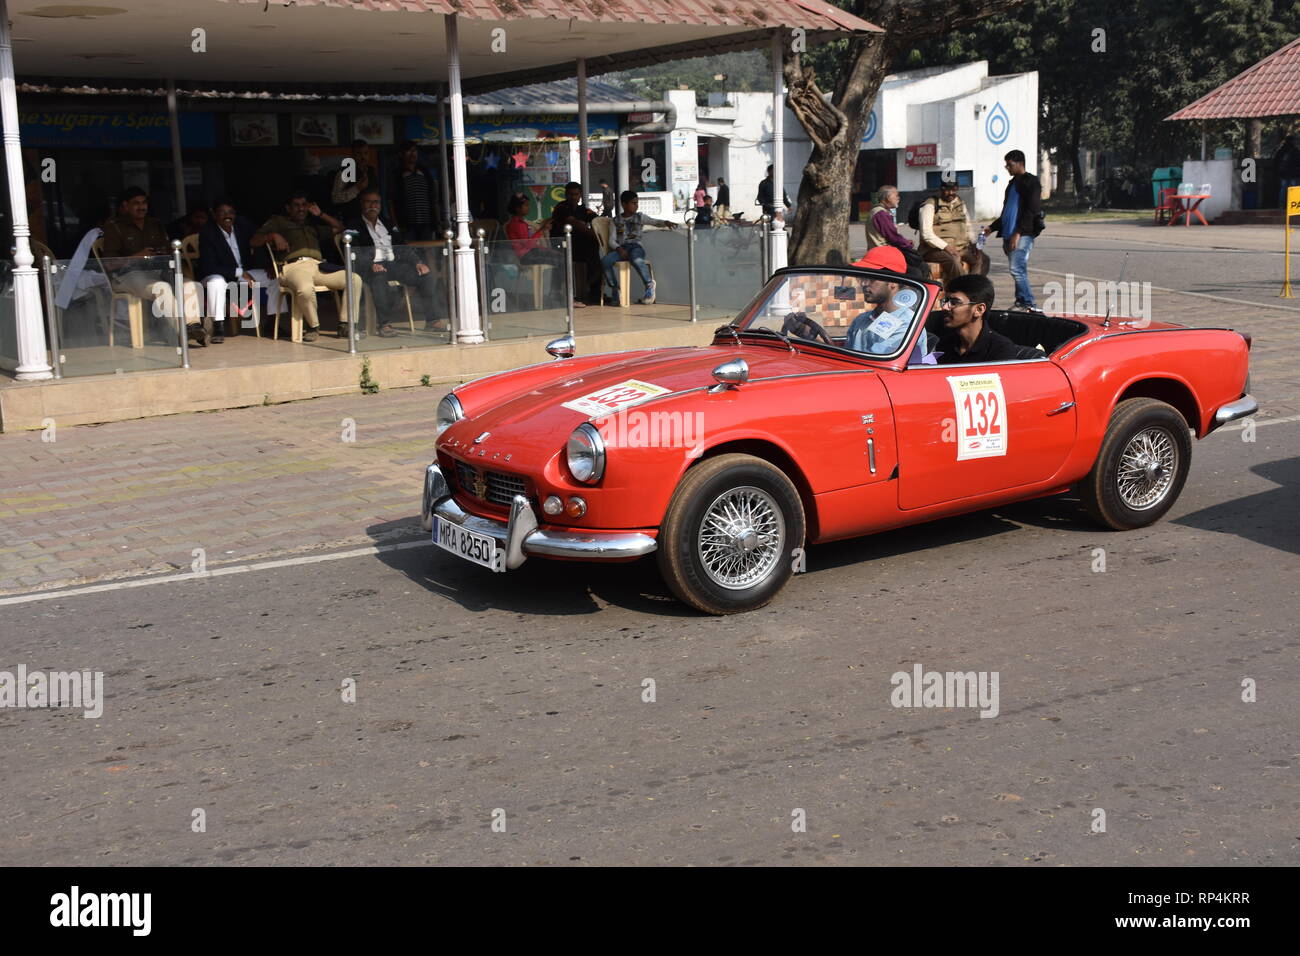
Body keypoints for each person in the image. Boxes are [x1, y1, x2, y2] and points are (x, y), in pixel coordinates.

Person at [99, 187, 208, 346]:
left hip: (156, 271)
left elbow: (168, 250)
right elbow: (109, 264)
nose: (141, 207)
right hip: (126, 276)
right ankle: (182, 332)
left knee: (190, 284)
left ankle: (194, 326)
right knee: (161, 288)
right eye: (136, 203)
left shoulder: (154, 223)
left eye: (144, 203)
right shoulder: (114, 226)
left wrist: (162, 252)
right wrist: (137, 256)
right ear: (126, 205)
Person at [254, 192, 361, 342]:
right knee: (305, 288)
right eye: (296, 205)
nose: (301, 209)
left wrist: (321, 214)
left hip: (318, 266)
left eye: (304, 205)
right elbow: (254, 240)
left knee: (353, 278)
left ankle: (346, 324)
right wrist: (272, 236)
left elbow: (340, 228)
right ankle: (313, 326)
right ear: (288, 208)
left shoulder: (312, 225)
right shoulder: (279, 222)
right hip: (293, 267)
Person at [348, 189, 443, 337]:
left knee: (426, 275)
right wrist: (370, 265)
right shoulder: (354, 225)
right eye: (368, 201)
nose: (372, 205)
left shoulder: (387, 223)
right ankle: (384, 324)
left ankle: (432, 321)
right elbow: (353, 251)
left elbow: (402, 246)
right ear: (361, 204)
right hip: (370, 267)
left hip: (393, 264)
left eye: (376, 202)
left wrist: (418, 262)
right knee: (379, 279)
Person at [196, 200, 275, 343]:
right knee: (217, 282)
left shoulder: (241, 226)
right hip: (214, 274)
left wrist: (271, 239)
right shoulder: (208, 233)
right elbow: (209, 267)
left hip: (242, 274)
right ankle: (218, 327)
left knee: (274, 278)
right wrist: (240, 272)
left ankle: (273, 322)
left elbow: (258, 238)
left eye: (231, 212)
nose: (228, 216)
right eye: (223, 212)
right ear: (214, 215)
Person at [986, 149, 1043, 313]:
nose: (1008, 168)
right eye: (1006, 165)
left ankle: (1029, 303)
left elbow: (1030, 210)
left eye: (1010, 165)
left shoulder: (1031, 182)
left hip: (1022, 234)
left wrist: (1017, 233)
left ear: (1020, 163)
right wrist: (992, 227)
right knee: (1018, 269)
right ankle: (1021, 301)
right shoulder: (1012, 184)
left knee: (1017, 269)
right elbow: (1007, 211)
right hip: (1009, 233)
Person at [602, 190, 676, 305]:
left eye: (637, 203)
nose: (636, 206)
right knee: (606, 261)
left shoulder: (640, 217)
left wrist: (666, 222)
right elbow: (611, 240)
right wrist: (619, 249)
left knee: (636, 259)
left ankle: (649, 285)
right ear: (624, 204)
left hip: (636, 247)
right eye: (633, 203)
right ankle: (615, 288)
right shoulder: (615, 220)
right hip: (621, 249)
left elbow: (654, 222)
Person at [843, 245, 918, 354]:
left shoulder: (908, 325)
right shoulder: (861, 320)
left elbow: (875, 364)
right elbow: (846, 357)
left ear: (893, 282)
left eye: (872, 278)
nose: (864, 283)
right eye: (863, 277)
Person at [935, 274, 1019, 364]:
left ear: (979, 309)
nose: (945, 307)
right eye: (945, 301)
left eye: (954, 302)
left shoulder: (1000, 349)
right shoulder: (945, 344)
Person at [917, 181, 988, 283]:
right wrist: (946, 247)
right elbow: (926, 233)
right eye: (947, 190)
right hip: (935, 250)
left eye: (954, 189)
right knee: (953, 261)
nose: (951, 193)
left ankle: (973, 287)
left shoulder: (959, 202)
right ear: (941, 189)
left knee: (982, 259)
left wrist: (973, 243)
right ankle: (962, 288)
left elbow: (967, 225)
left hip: (959, 247)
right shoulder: (930, 205)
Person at [548, 181, 601, 306]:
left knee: (594, 251)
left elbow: (597, 219)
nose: (573, 197)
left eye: (576, 194)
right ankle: (564, 293)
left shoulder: (583, 209)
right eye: (571, 194)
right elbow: (575, 223)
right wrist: (593, 234)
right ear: (566, 195)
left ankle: (594, 293)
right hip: (561, 246)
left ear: (580, 195)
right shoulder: (561, 208)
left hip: (577, 246)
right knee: (592, 244)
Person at [389, 140, 437, 241]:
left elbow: (433, 197)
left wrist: (436, 220)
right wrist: (395, 223)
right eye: (409, 151)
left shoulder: (424, 172)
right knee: (410, 251)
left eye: (414, 151)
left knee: (428, 250)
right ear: (401, 154)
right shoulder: (397, 175)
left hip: (426, 222)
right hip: (406, 224)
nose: (413, 154)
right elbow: (391, 200)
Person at [330, 139, 379, 223]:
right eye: (359, 154)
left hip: (371, 219)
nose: (363, 157)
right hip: (351, 219)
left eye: (366, 153)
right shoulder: (345, 172)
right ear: (352, 155)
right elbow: (335, 198)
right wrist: (356, 189)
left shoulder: (371, 170)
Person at [865, 185, 914, 252]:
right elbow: (892, 237)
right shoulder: (881, 214)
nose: (898, 198)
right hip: (883, 252)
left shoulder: (876, 211)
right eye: (896, 196)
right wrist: (907, 244)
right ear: (888, 198)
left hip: (876, 250)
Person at [1275, 135, 1300, 209]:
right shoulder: (1295, 151)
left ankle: (1281, 206)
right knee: (1294, 189)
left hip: (1284, 174)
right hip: (1294, 174)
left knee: (1283, 189)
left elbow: (1276, 162)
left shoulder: (1281, 151)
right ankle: (1294, 206)